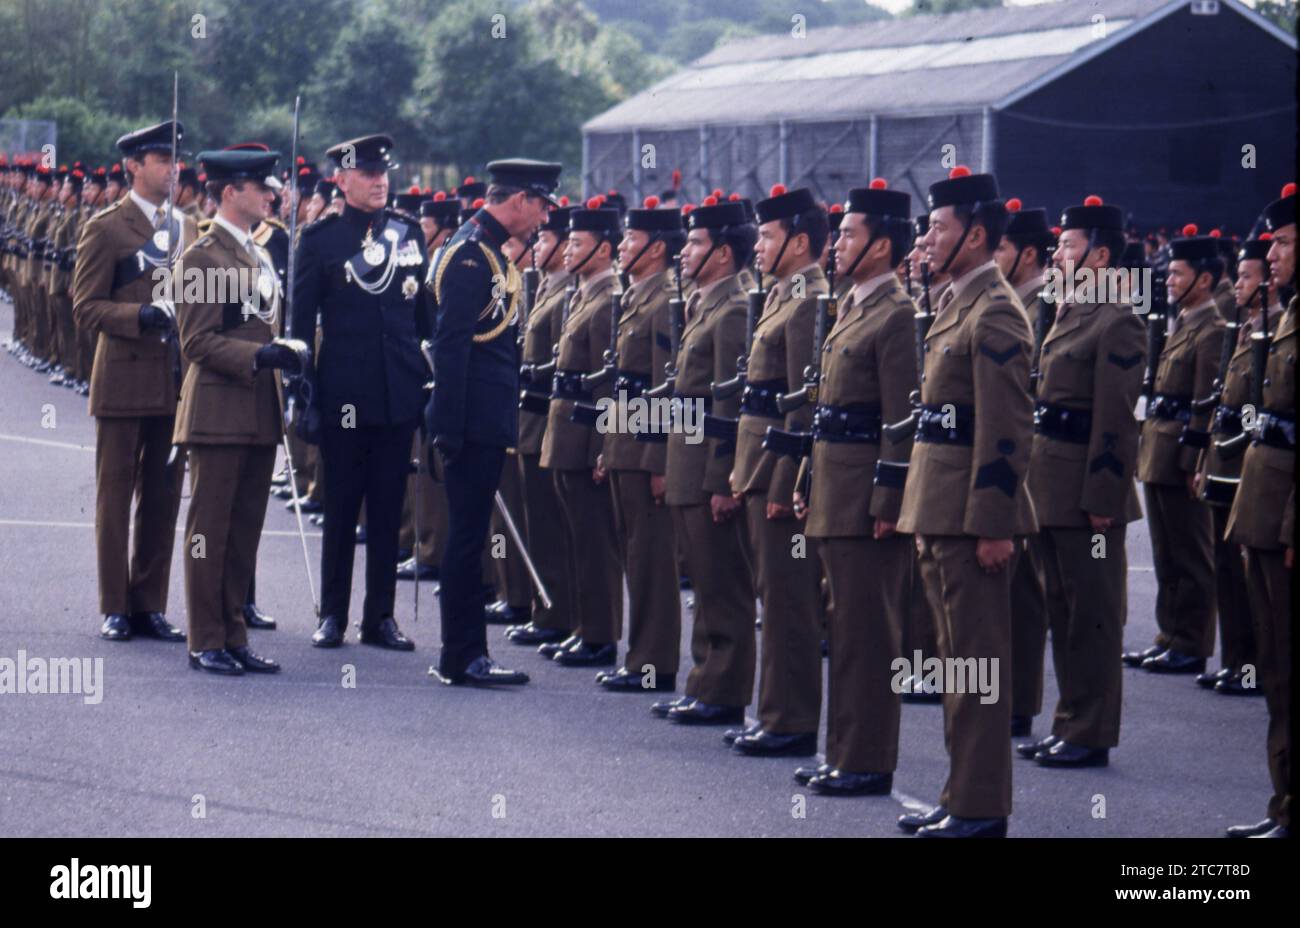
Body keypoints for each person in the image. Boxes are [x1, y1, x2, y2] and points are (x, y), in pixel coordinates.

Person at [896, 166, 1034, 838]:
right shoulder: (957, 302)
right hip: (939, 506)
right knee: (956, 664)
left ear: (975, 235)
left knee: (977, 665)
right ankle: (961, 796)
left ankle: (981, 808)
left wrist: (993, 525)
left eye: (938, 227)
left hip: (969, 518)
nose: (926, 237)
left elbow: (1006, 431)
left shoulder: (997, 310)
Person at [793, 180, 916, 793]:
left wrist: (889, 502)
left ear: (882, 245)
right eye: (838, 233)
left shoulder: (896, 313)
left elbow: (899, 420)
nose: (837, 243)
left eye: (849, 234)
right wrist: (807, 477)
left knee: (870, 632)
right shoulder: (855, 303)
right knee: (844, 627)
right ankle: (842, 750)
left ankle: (867, 760)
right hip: (837, 488)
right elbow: (828, 410)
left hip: (867, 497)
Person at [1015, 195, 1146, 768]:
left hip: (1086, 490)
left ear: (1100, 255)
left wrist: (1102, 498)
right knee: (1064, 608)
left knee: (1092, 614)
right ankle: (1070, 720)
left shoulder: (1117, 319)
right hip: (1050, 483)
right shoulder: (1067, 309)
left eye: (1068, 245)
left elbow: (1116, 420)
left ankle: (1090, 730)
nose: (1057, 254)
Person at [290, 134, 430, 652]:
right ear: (342, 181)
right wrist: (303, 394)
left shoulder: (408, 233)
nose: (379, 182)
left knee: (389, 511)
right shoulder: (321, 240)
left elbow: (423, 318)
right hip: (344, 394)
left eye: (383, 173)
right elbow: (301, 326)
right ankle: (332, 614)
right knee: (342, 507)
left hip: (397, 393)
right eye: (368, 175)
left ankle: (381, 618)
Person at [426, 158, 560, 686]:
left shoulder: (481, 247)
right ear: (520, 200)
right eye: (542, 204)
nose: (544, 217)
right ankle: (463, 655)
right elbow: (452, 345)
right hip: (472, 422)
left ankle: (464, 652)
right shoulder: (469, 257)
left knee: (470, 536)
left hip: (480, 418)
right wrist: (450, 430)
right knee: (465, 539)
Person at [174, 147, 301, 675]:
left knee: (245, 527)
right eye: (260, 186)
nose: (271, 194)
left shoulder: (258, 253)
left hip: (258, 410)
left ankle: (233, 633)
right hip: (218, 411)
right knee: (210, 528)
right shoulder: (203, 256)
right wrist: (261, 356)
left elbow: (264, 322)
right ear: (230, 192)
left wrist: (286, 356)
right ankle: (206, 637)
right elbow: (196, 342)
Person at [72, 120, 197, 643]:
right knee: (114, 495)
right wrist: (139, 316)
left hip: (172, 381)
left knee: (164, 495)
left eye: (175, 161)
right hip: (123, 378)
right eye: (161, 161)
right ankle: (114, 604)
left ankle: (149, 602)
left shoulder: (188, 228)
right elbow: (84, 306)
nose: (172, 170)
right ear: (134, 167)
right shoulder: (107, 227)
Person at [728, 184, 828, 757]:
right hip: (759, 464)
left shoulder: (810, 300)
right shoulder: (781, 295)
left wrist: (788, 481)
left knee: (789, 599)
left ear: (800, 241)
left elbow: (803, 402)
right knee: (774, 594)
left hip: (779, 473)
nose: (758, 246)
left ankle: (790, 720)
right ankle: (773, 713)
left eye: (767, 236)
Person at [652, 196, 757, 726]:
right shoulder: (705, 302)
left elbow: (728, 403)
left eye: (695, 242)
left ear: (722, 252)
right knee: (704, 580)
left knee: (722, 583)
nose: (685, 251)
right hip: (686, 459)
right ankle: (704, 680)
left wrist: (721, 479)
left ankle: (726, 687)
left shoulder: (734, 308)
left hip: (707, 466)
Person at [1223, 183, 1294, 840]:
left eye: (1284, 244)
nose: (1271, 255)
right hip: (1265, 513)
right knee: (1276, 667)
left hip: (1288, 519)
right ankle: (1285, 804)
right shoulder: (1285, 320)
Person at [1125, 228, 1226, 674]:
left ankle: (1193, 640)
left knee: (1191, 553)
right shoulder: (1182, 324)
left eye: (1177, 274)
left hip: (1180, 457)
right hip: (1158, 451)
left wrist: (1193, 462)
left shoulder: (1212, 330)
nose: (1168, 280)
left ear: (1203, 280)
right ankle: (1170, 634)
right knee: (1166, 552)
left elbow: (1205, 405)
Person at [594, 195, 684, 691]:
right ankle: (639, 656)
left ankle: (654, 665)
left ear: (655, 249)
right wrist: (611, 446)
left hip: (647, 448)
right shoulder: (637, 296)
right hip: (625, 439)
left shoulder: (666, 302)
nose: (623, 246)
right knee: (635, 554)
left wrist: (659, 461)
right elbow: (623, 384)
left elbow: (667, 387)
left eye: (631, 239)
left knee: (651, 559)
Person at [538, 198, 625, 666]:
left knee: (595, 540)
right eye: (566, 243)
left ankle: (601, 633)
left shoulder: (610, 300)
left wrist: (604, 448)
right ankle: (582, 626)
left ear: (604, 249)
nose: (567, 251)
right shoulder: (584, 293)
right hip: (566, 429)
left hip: (588, 434)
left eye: (577, 243)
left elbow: (609, 383)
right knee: (576, 536)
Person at [1192, 235, 1277, 694]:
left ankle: (1251, 667)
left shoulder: (1274, 327)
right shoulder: (1244, 327)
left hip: (1246, 465)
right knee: (1226, 569)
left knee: (1245, 577)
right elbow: (1222, 401)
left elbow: (1257, 406)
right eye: (1239, 275)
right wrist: (1207, 458)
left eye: (1247, 276)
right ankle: (1235, 660)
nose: (1238, 284)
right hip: (1224, 460)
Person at [506, 204, 578, 648]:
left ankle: (574, 621)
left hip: (571, 429)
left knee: (561, 531)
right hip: (535, 422)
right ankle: (548, 611)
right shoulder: (549, 286)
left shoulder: (576, 292)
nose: (538, 249)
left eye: (546, 241)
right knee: (540, 527)